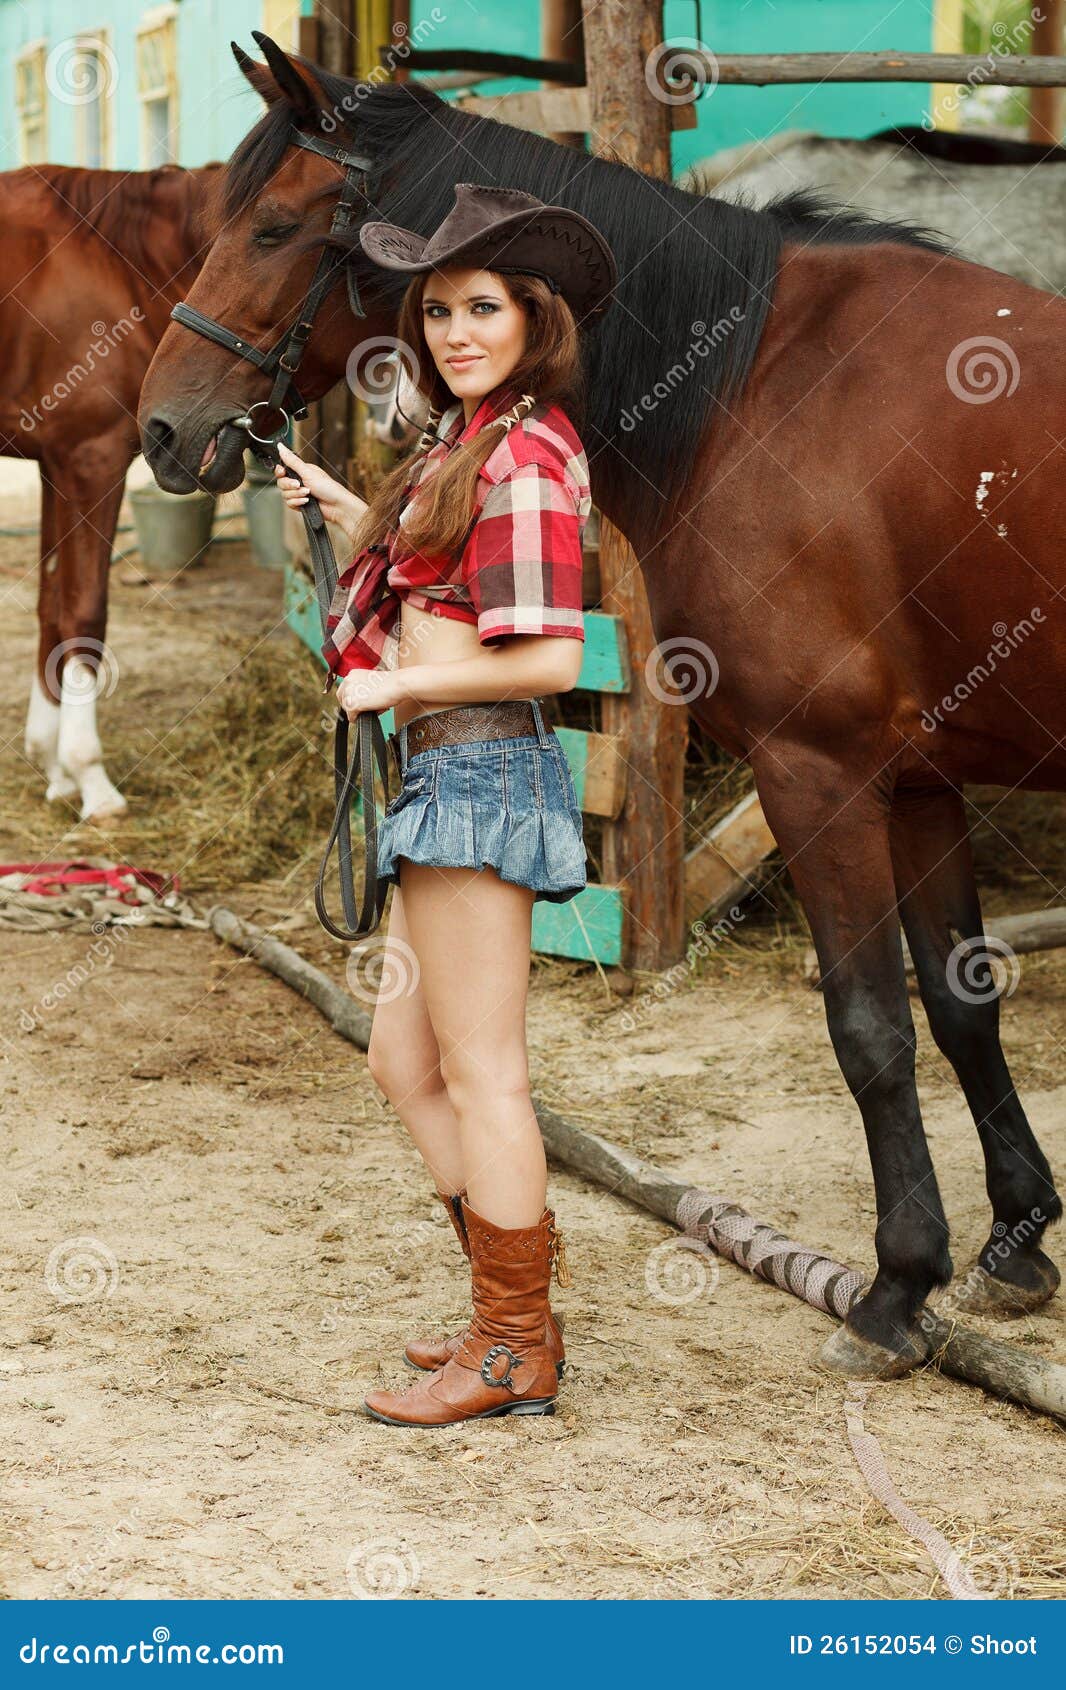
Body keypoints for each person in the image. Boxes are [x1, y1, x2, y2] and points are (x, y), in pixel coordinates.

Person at [274, 184, 617, 1427]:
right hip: (443, 775)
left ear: (535, 317)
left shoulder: (523, 451)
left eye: (483, 307)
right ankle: (506, 1305)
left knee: (483, 1073)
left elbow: (548, 658)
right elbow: (457, 582)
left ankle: (515, 1344)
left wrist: (397, 680)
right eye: (437, 310)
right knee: (400, 1057)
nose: (457, 330)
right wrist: (352, 510)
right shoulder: (473, 441)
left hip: (477, 773)